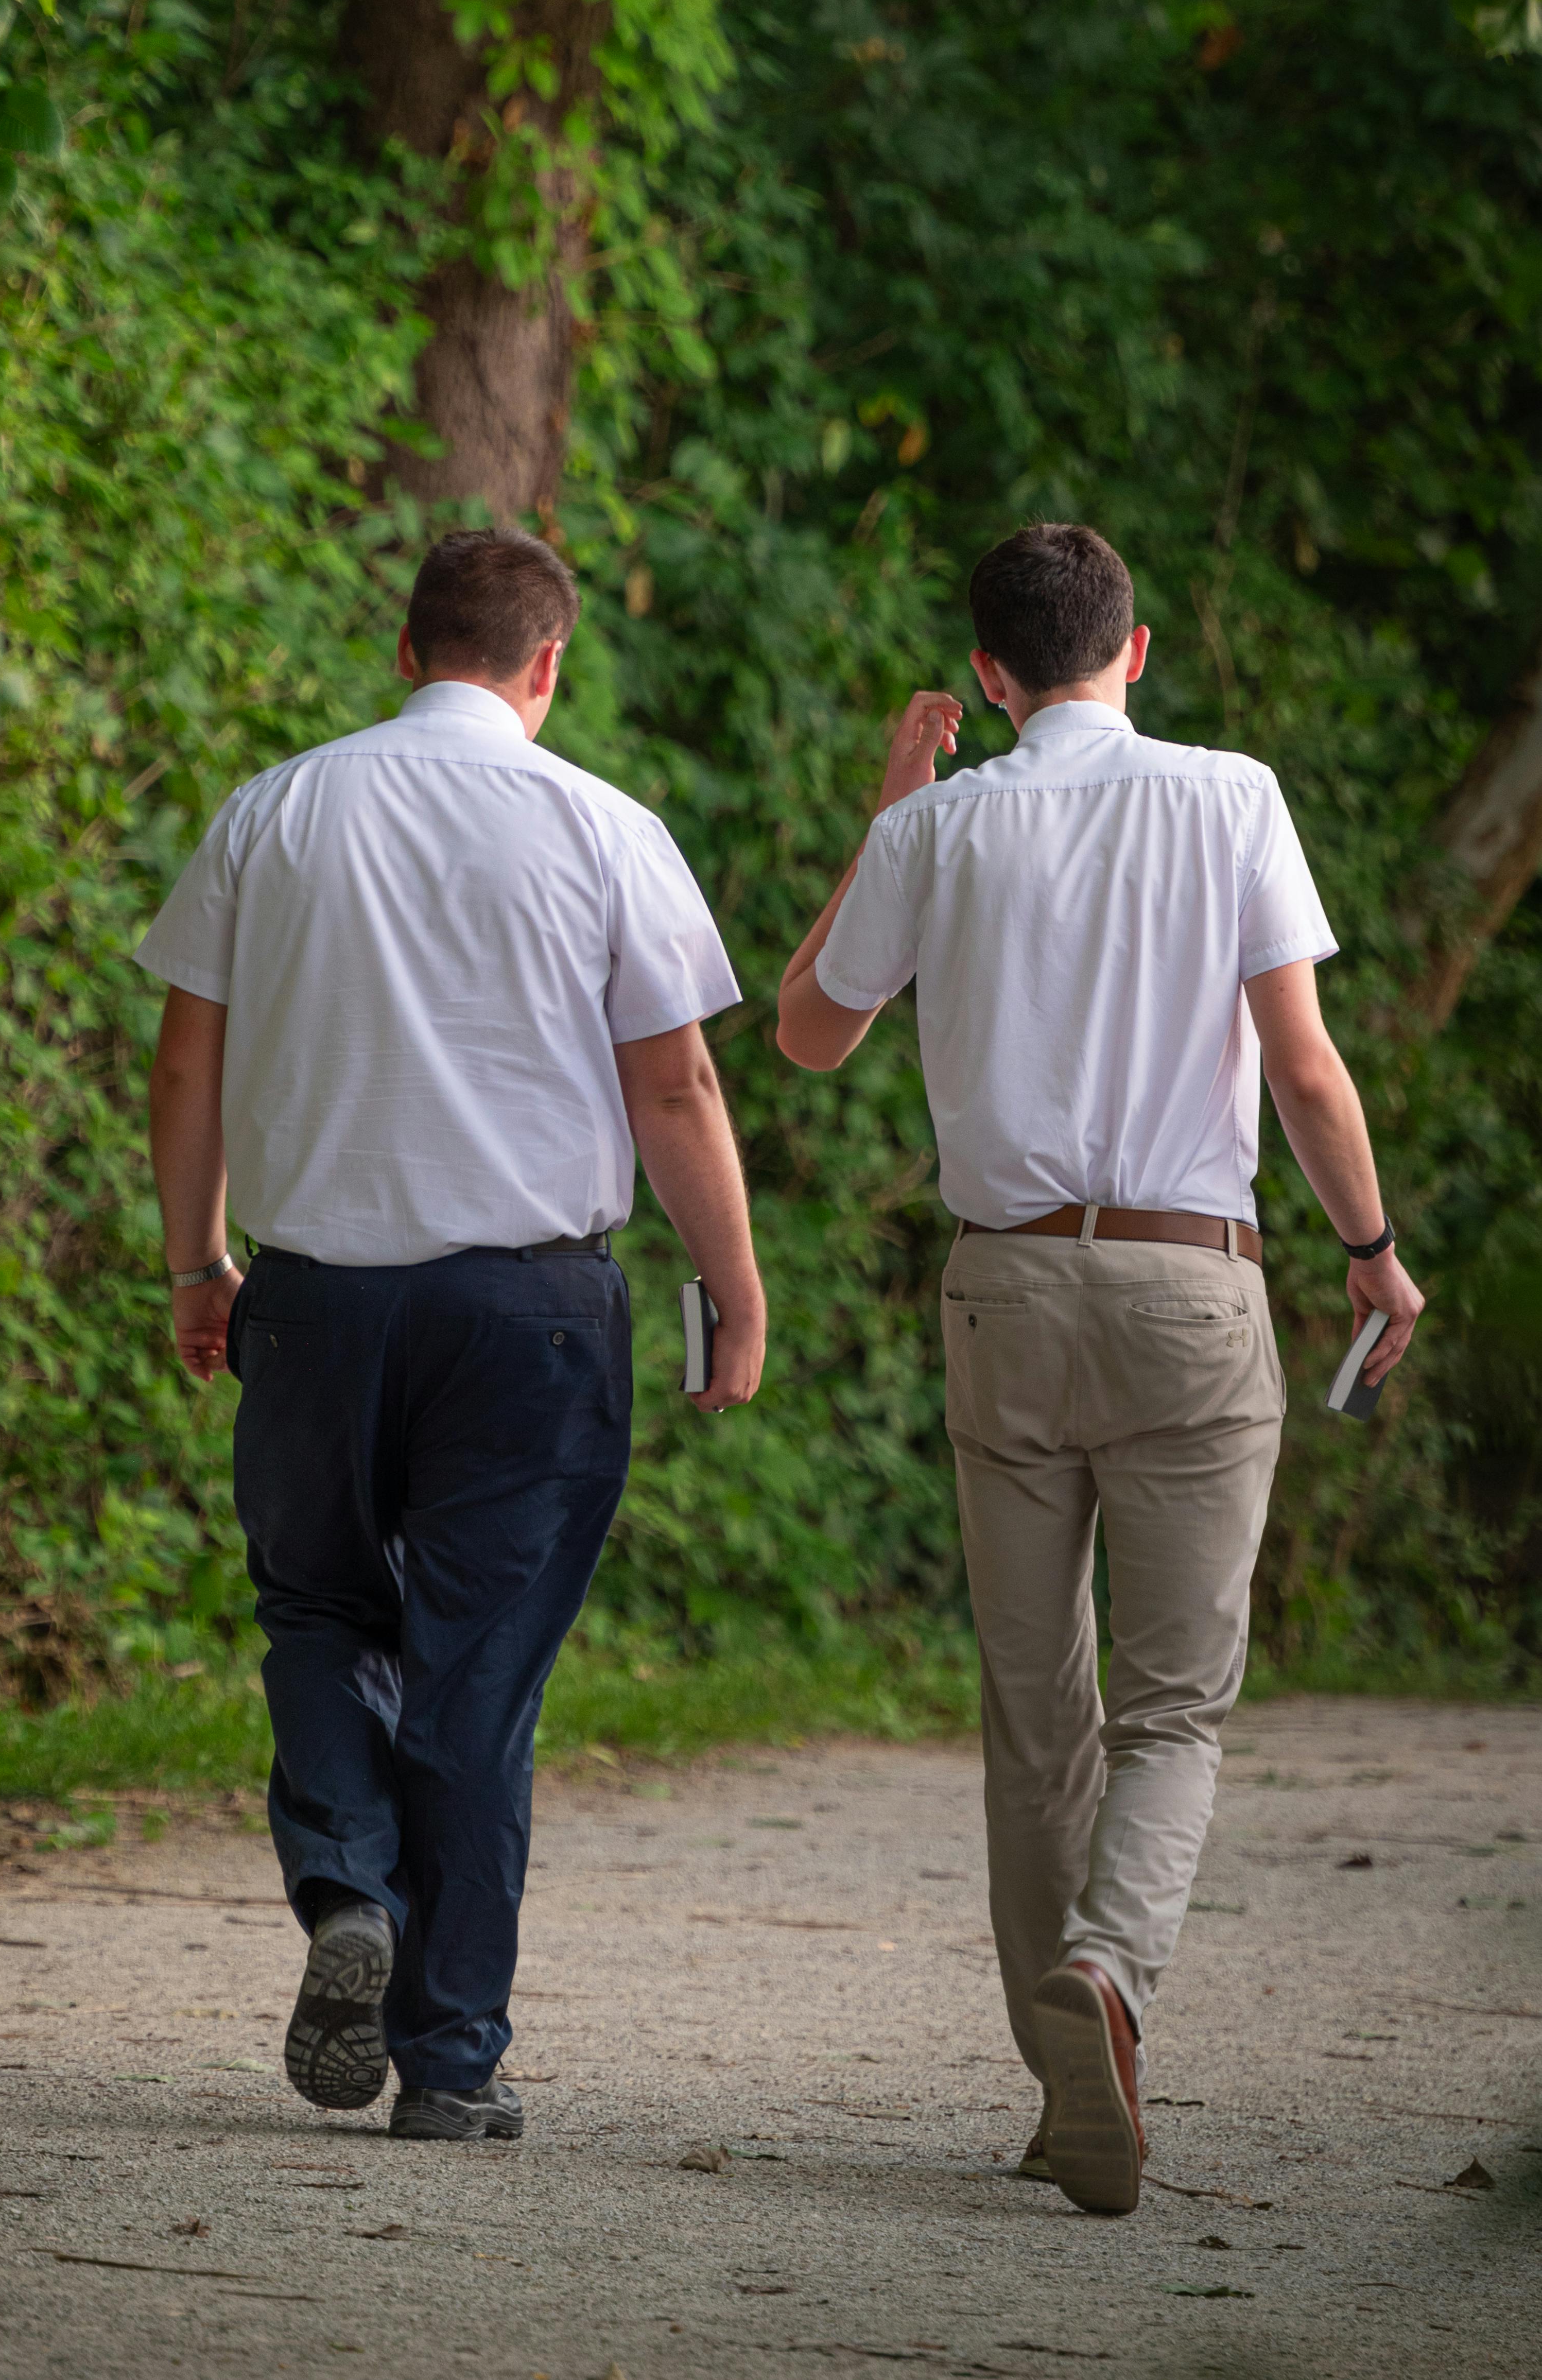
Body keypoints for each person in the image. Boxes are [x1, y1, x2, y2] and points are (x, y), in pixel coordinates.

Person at [774, 523, 1423, 2218]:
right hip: (1186, 1283)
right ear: (1135, 653)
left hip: (1002, 1290)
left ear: (987, 675)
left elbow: (806, 1027)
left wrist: (890, 803)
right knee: (1177, 1701)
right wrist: (1368, 1245)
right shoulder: (1230, 797)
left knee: (1033, 1705)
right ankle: (1113, 1981)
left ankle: (1066, 2088)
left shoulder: (936, 824)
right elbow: (1302, 1060)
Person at [136, 526, 765, 2145]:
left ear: (404, 647)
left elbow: (184, 1068)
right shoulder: (607, 825)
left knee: (318, 1607)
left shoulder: (274, 811)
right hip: (532, 1314)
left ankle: (349, 1885)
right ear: (548, 665)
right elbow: (677, 1084)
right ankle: (454, 2060)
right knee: (481, 1674)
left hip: (316, 1298)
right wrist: (737, 1288)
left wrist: (197, 1263)